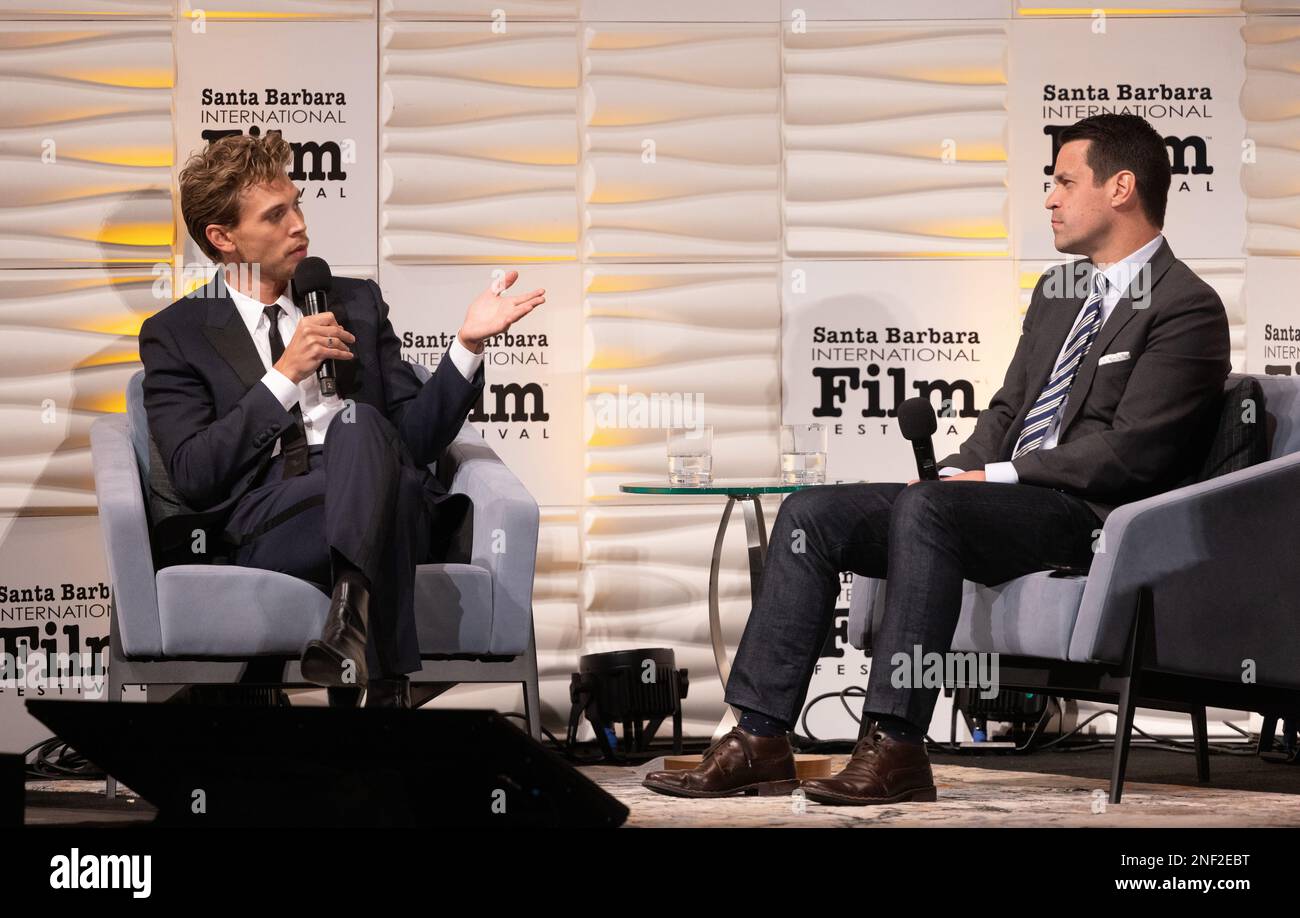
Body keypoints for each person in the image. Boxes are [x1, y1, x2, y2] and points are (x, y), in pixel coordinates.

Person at [644, 112, 1231, 803]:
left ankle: (894, 746)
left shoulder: (1187, 307)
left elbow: (1136, 451)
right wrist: (962, 469)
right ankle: (761, 739)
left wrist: (1002, 475)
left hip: (1090, 519)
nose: (1049, 197)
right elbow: (1010, 411)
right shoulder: (1056, 294)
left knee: (930, 510)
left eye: (1065, 181)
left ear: (1121, 187)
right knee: (813, 513)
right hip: (1003, 502)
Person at [138, 131, 545, 708]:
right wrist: (283, 376)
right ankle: (382, 689)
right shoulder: (177, 333)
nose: (299, 224)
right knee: (385, 476)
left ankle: (350, 622)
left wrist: (466, 347)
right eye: (275, 215)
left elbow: (416, 440)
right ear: (222, 237)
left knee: (359, 427)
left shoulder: (354, 300)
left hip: (384, 483)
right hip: (276, 520)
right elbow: (193, 473)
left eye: (298, 203)